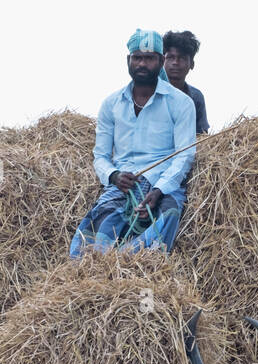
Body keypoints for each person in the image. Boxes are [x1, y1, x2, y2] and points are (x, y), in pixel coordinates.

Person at [69, 29, 197, 255]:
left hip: (163, 182)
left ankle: (132, 259)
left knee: (167, 216)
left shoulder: (181, 103)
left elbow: (184, 154)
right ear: (128, 60)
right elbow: (100, 156)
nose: (142, 64)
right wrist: (114, 175)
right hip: (123, 184)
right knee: (98, 228)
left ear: (159, 61)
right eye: (137, 57)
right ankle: (97, 264)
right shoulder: (111, 104)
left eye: (149, 58)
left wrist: (158, 191)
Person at [162, 30, 208, 135]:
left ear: (192, 64)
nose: (175, 62)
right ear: (162, 61)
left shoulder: (196, 97)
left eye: (182, 58)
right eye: (170, 57)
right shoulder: (151, 92)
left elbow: (202, 137)